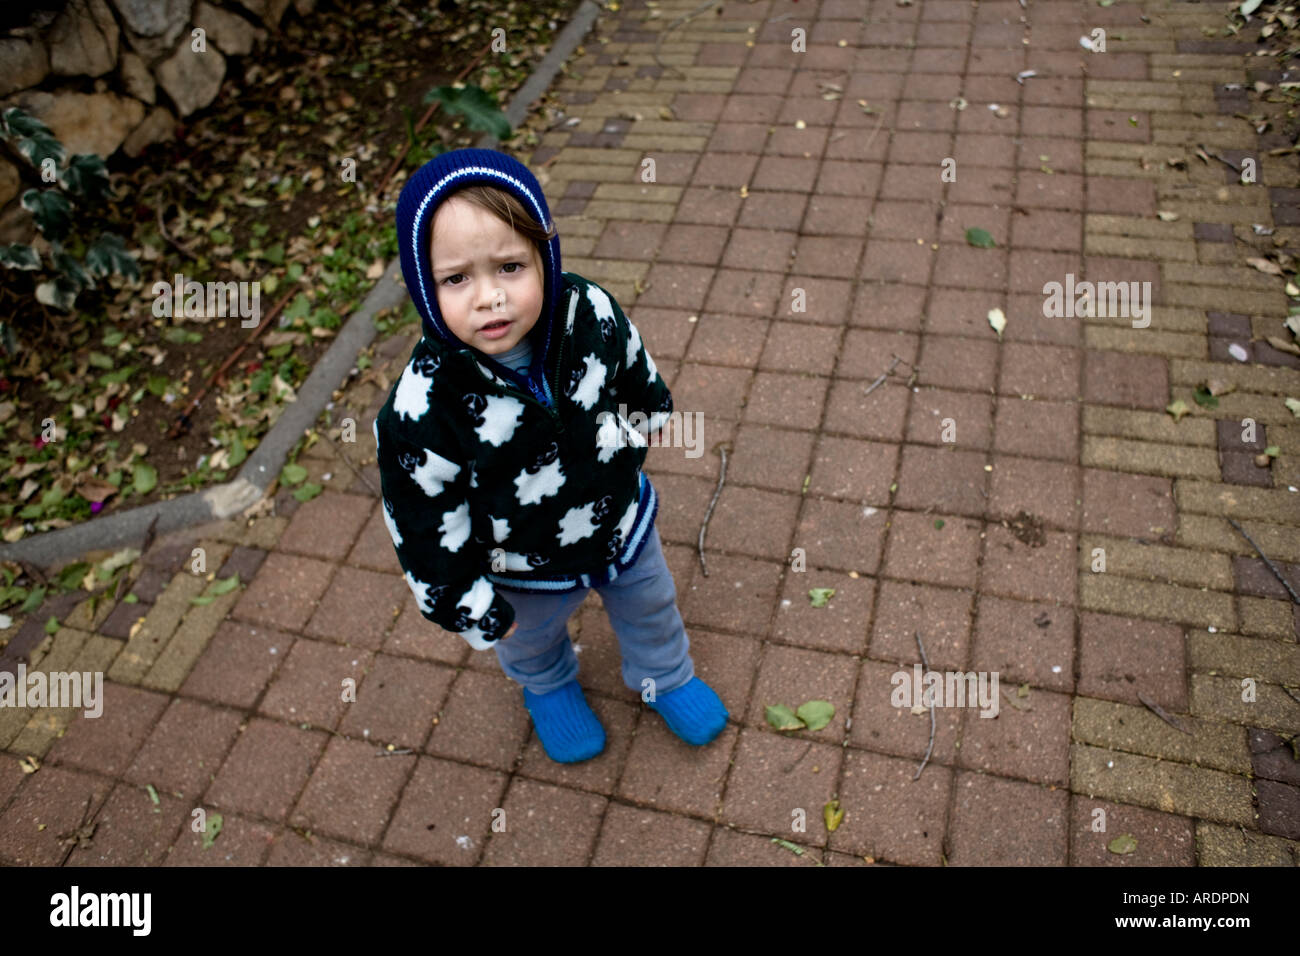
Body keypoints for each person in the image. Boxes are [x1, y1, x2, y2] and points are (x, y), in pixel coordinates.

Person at [374, 147, 728, 763]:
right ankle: (549, 688)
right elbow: (420, 521)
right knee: (530, 641)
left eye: (510, 266)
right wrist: (470, 605)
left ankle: (665, 676)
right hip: (521, 565)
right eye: (457, 278)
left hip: (619, 520)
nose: (490, 298)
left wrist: (652, 413)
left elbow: (628, 359)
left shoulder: (584, 311)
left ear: (546, 256)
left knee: (652, 606)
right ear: (423, 288)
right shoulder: (423, 407)